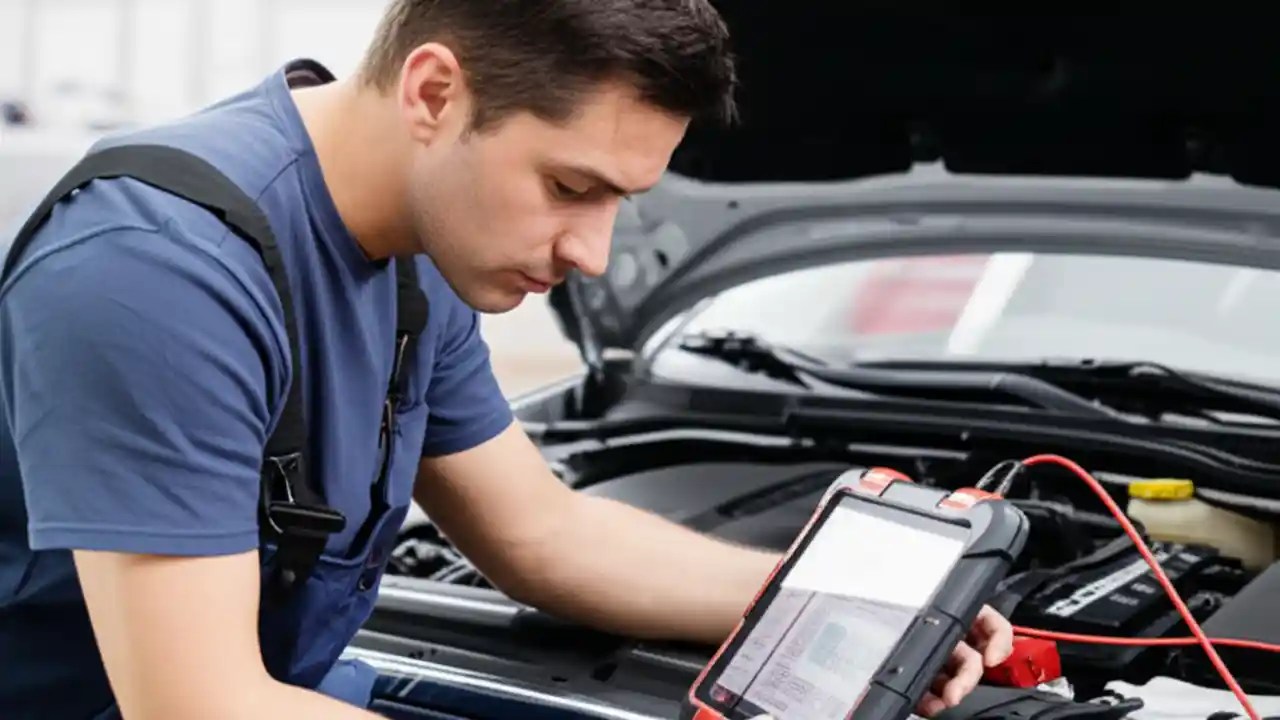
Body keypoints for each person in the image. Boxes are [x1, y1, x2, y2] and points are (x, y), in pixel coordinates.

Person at [0, 1, 1014, 718]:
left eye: (619, 201)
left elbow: (544, 537)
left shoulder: (420, 245)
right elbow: (196, 705)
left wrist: (849, 617)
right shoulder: (157, 267)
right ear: (433, 92)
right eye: (570, 186)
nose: (590, 254)